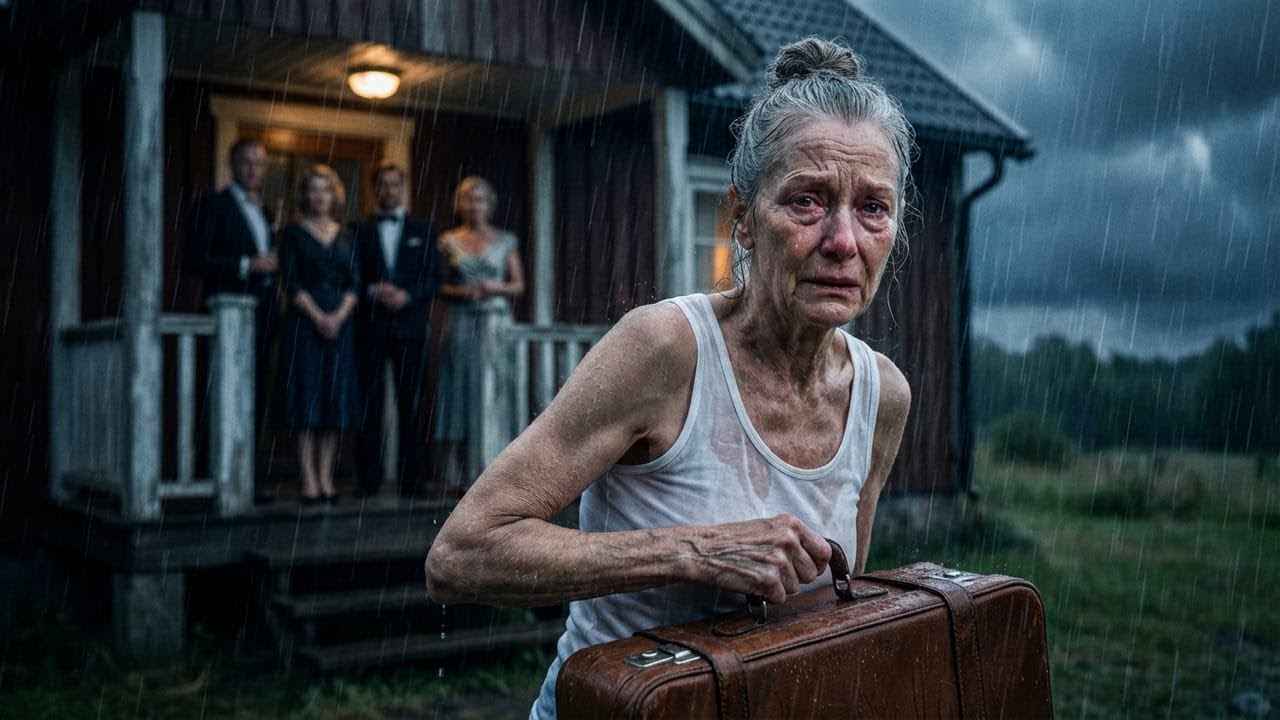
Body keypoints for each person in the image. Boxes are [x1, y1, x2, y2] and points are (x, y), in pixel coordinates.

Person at [426, 37, 914, 719]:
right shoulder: (665, 349)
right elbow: (463, 554)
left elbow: (834, 610)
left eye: (872, 208)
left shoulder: (881, 397)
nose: (843, 240)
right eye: (807, 201)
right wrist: (696, 550)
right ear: (741, 219)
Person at [187, 138, 279, 501]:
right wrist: (246, 264)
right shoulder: (214, 205)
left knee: (255, 397)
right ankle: (217, 479)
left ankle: (248, 481)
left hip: (262, 316)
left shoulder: (264, 211)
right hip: (227, 318)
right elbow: (195, 258)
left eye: (260, 163)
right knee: (221, 396)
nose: (254, 169)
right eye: (247, 162)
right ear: (233, 164)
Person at [352, 162, 441, 499]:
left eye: (394, 184)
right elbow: (352, 274)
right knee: (369, 404)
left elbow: (432, 278)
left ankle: (412, 480)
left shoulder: (424, 229)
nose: (389, 190)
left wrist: (407, 295)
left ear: (402, 188)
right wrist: (371, 291)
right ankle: (368, 481)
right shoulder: (360, 230)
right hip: (371, 327)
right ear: (375, 190)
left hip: (410, 327)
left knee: (411, 405)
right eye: (383, 185)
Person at [431, 176, 526, 492]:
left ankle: (492, 470)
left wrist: (494, 287)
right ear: (460, 204)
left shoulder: (505, 240)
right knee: (459, 391)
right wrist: (461, 291)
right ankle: (458, 471)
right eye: (469, 199)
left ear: (490, 204)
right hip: (461, 321)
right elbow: (437, 284)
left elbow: (518, 284)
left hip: (495, 322)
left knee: (492, 390)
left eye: (481, 199)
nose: (475, 205)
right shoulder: (448, 241)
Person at [277, 164, 362, 504]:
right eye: (313, 189)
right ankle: (308, 480)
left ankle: (326, 478)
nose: (319, 195)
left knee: (333, 403)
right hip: (305, 325)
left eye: (325, 189)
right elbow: (291, 282)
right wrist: (318, 316)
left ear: (334, 195)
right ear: (305, 195)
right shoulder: (293, 235)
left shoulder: (346, 236)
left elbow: (355, 284)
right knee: (307, 401)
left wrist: (338, 317)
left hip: (341, 327)